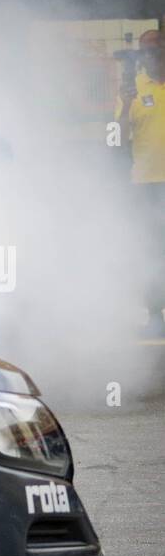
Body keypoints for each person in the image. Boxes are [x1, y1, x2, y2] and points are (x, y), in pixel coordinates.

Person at [116, 30, 165, 335]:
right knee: (151, 249)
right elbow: (117, 141)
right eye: (146, 51)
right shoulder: (131, 90)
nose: (152, 55)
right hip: (146, 184)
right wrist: (124, 109)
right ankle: (154, 311)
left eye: (157, 49)